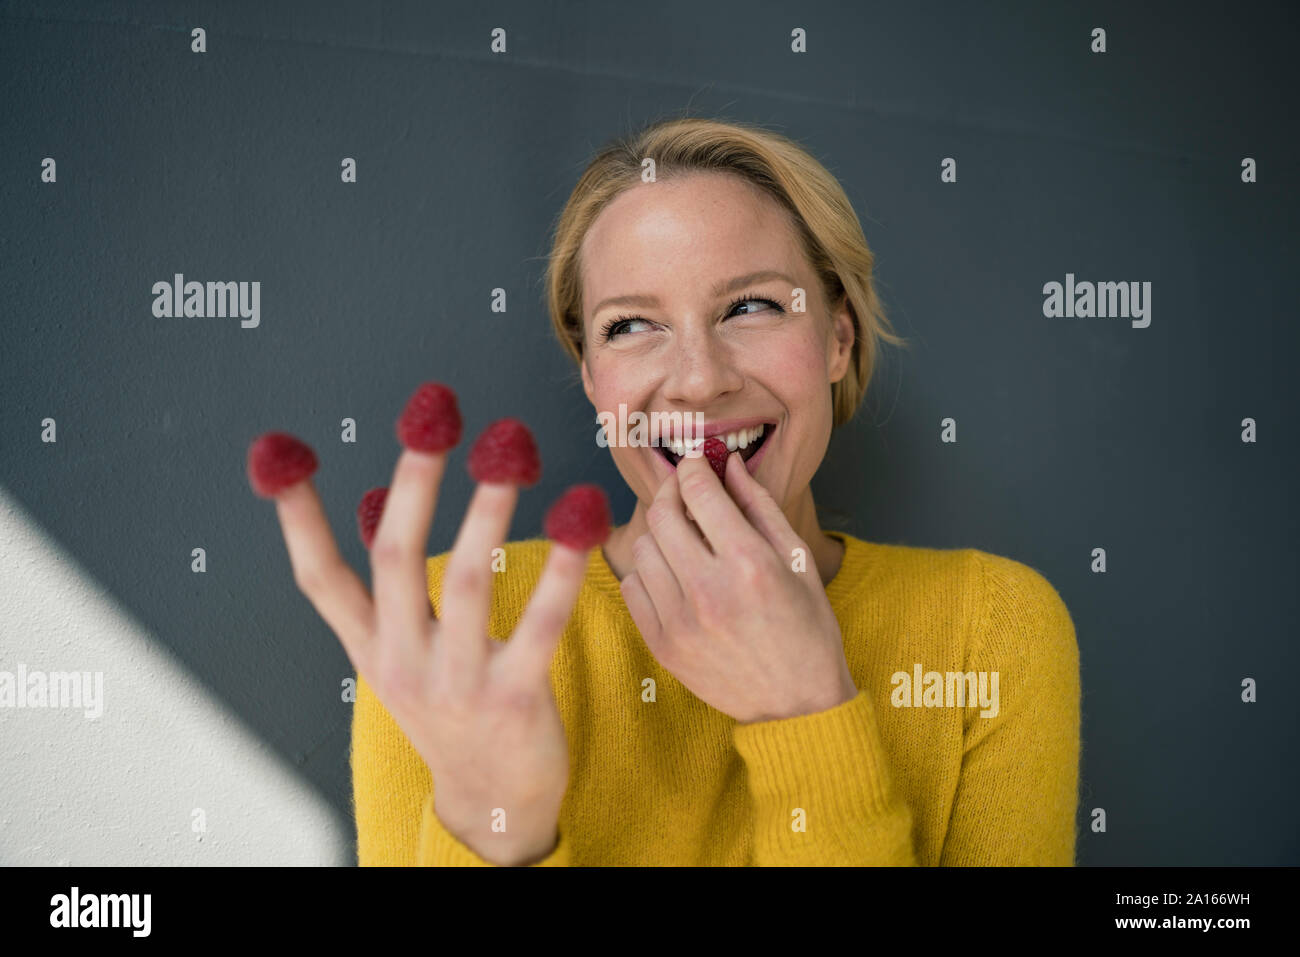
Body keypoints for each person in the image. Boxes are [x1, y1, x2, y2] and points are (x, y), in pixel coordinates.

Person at [268, 116, 1081, 866]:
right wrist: (494, 826)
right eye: (631, 325)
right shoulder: (449, 626)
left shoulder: (993, 628)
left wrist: (805, 710)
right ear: (591, 376)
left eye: (753, 305)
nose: (698, 381)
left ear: (838, 338)